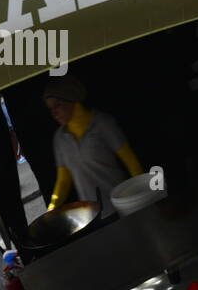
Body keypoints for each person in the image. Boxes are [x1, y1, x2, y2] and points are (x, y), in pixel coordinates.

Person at [42, 76, 143, 213]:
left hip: (122, 206)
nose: (54, 113)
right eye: (50, 109)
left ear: (72, 100)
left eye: (58, 105)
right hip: (92, 216)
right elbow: (63, 180)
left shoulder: (102, 123)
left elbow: (130, 160)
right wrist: (52, 208)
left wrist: (144, 194)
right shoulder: (59, 139)